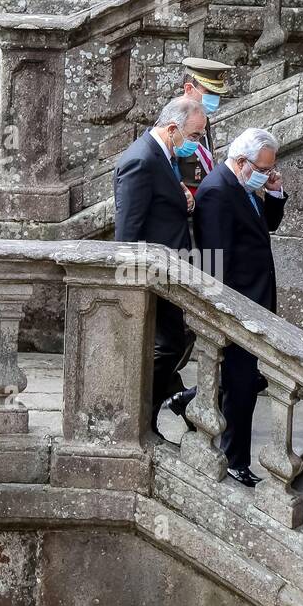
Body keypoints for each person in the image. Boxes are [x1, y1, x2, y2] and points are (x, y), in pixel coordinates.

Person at [190, 128, 288, 486]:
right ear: (243, 162)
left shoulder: (245, 187)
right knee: (242, 383)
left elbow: (266, 228)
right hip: (240, 306)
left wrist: (274, 192)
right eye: (263, 168)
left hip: (256, 300)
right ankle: (235, 460)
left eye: (270, 168)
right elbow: (216, 260)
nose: (267, 173)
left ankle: (189, 398)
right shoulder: (218, 191)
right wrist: (228, 311)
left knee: (245, 381)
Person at [113, 96, 207, 434]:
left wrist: (185, 201)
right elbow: (127, 233)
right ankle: (137, 414)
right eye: (195, 137)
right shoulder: (141, 159)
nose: (196, 145)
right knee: (168, 345)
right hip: (152, 277)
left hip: (170, 270)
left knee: (173, 343)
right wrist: (134, 286)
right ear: (172, 129)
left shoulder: (163, 156)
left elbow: (161, 205)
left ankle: (156, 406)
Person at [177, 57, 233, 195]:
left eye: (216, 93)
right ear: (189, 88)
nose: (215, 98)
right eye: (209, 92)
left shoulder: (203, 118)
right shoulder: (174, 121)